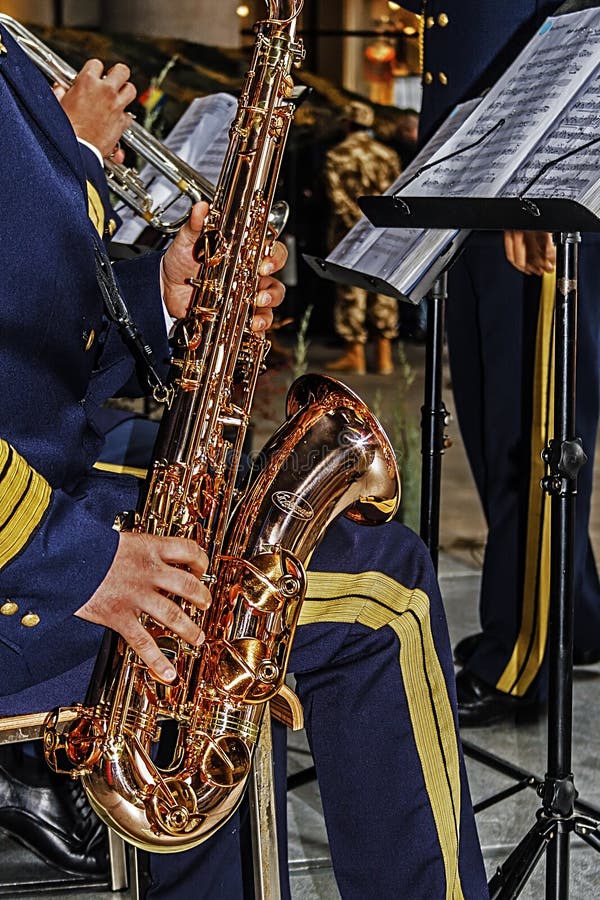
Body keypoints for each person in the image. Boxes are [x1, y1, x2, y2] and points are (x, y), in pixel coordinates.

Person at [0, 25, 489, 898]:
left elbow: (21, 342)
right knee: (390, 594)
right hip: (26, 568)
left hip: (38, 507)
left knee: (227, 591)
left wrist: (161, 299)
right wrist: (83, 562)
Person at [399, 1, 600, 726]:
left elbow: (577, 26)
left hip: (531, 179)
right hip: (479, 181)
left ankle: (522, 657)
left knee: (529, 434)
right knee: (497, 426)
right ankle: (574, 617)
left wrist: (535, 181)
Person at [324, 100, 401, 375]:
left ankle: (354, 355)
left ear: (347, 123)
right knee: (383, 288)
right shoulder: (387, 154)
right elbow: (397, 193)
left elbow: (337, 199)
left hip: (349, 233)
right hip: (383, 231)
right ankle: (384, 356)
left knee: (351, 291)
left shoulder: (337, 155)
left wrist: (356, 226)